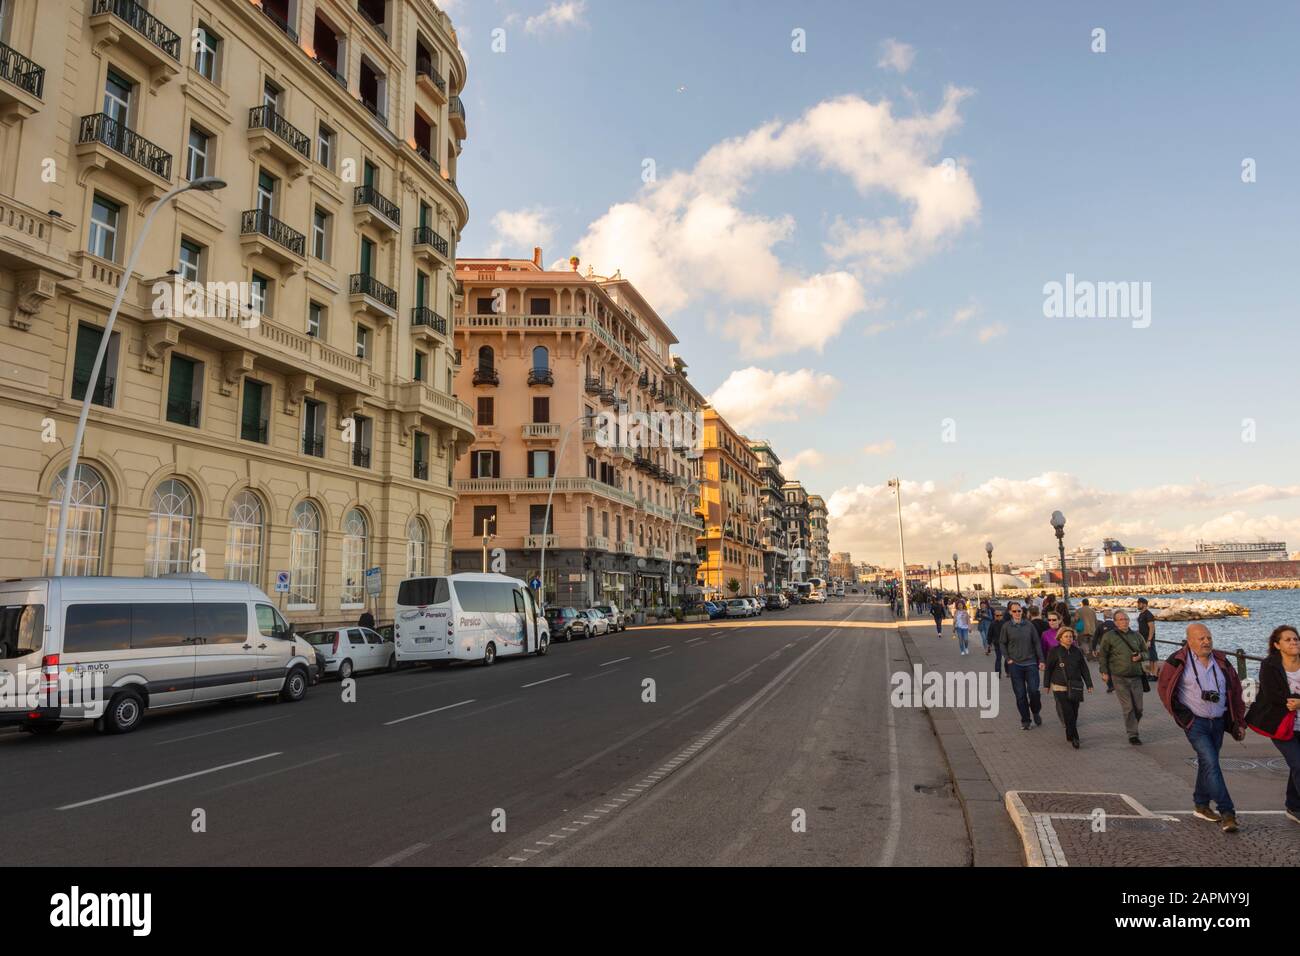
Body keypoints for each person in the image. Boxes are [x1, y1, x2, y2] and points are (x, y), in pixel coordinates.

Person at [1156, 623, 1246, 833]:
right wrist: (1183, 717)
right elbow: (1164, 689)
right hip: (1196, 723)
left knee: (1208, 763)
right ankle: (1228, 812)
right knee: (1211, 763)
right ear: (1189, 641)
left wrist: (1239, 722)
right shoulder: (1178, 661)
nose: (1206, 642)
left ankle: (1201, 804)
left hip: (1218, 721)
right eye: (1201, 638)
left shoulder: (1222, 661)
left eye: (1208, 638)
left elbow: (1236, 692)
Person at [1243, 626, 1300, 826]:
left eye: (1295, 639)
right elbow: (1271, 693)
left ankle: (1293, 806)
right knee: (1298, 764)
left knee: (1297, 766)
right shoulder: (1270, 665)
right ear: (1277, 645)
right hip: (1281, 726)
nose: (1294, 642)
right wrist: (1293, 701)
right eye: (1288, 640)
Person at [1097, 610, 1148, 744]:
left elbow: (1147, 652)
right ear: (1115, 622)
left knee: (1139, 708)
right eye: (1120, 619)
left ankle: (1133, 726)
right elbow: (1103, 655)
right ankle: (1133, 734)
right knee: (1128, 707)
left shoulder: (1137, 636)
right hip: (1118, 676)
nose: (1124, 621)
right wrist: (1104, 672)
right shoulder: (1109, 636)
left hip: (1136, 676)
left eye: (1125, 619)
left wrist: (1141, 656)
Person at [1043, 626, 1094, 747]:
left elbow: (1084, 669)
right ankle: (1075, 737)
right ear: (1060, 638)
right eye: (1066, 636)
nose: (1069, 638)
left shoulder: (1077, 651)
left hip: (1075, 686)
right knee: (1068, 711)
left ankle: (1069, 732)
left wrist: (1089, 684)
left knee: (1075, 711)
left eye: (1071, 636)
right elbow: (1048, 669)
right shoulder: (1054, 651)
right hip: (1059, 686)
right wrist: (1046, 684)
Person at [1000, 601, 1044, 729]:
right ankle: (1026, 720)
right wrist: (1007, 659)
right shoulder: (1006, 627)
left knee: (1034, 691)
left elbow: (1036, 643)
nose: (1017, 613)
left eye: (1019, 611)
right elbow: (1002, 643)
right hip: (1015, 665)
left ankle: (1035, 711)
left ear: (1022, 612)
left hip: (1030, 663)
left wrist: (1041, 660)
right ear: (1010, 613)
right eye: (1014, 611)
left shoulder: (1029, 625)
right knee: (1020, 695)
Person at [1137, 597, 1159, 677]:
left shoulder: (1148, 614)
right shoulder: (1141, 614)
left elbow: (1152, 628)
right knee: (1149, 657)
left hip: (1149, 639)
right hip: (1143, 639)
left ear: (1144, 604)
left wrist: (1149, 640)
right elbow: (1141, 627)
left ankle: (1155, 674)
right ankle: (1151, 673)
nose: (1138, 605)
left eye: (1139, 603)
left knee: (1153, 657)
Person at [988, 604, 1006, 672]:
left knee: (1007, 658)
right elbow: (989, 634)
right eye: (997, 615)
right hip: (997, 643)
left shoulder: (1005, 623)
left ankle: (1007, 671)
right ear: (994, 616)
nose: (999, 617)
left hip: (1005, 643)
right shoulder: (992, 624)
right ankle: (998, 673)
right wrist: (989, 643)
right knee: (998, 658)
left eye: (1000, 615)